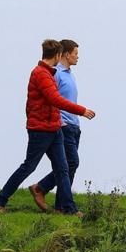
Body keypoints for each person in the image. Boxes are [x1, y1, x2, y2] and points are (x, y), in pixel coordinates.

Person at [0, 39, 95, 215]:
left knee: (63, 169)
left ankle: (69, 209)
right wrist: (82, 110)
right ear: (57, 55)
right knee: (28, 167)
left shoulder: (49, 73)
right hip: (41, 130)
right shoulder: (40, 74)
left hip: (54, 128)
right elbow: (55, 99)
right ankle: (0, 201)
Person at [28, 39, 82, 212]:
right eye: (75, 53)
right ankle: (43, 189)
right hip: (64, 125)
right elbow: (53, 99)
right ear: (65, 54)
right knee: (70, 164)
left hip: (74, 125)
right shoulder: (56, 73)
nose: (78, 57)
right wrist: (62, 120)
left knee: (67, 166)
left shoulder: (69, 73)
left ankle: (60, 204)